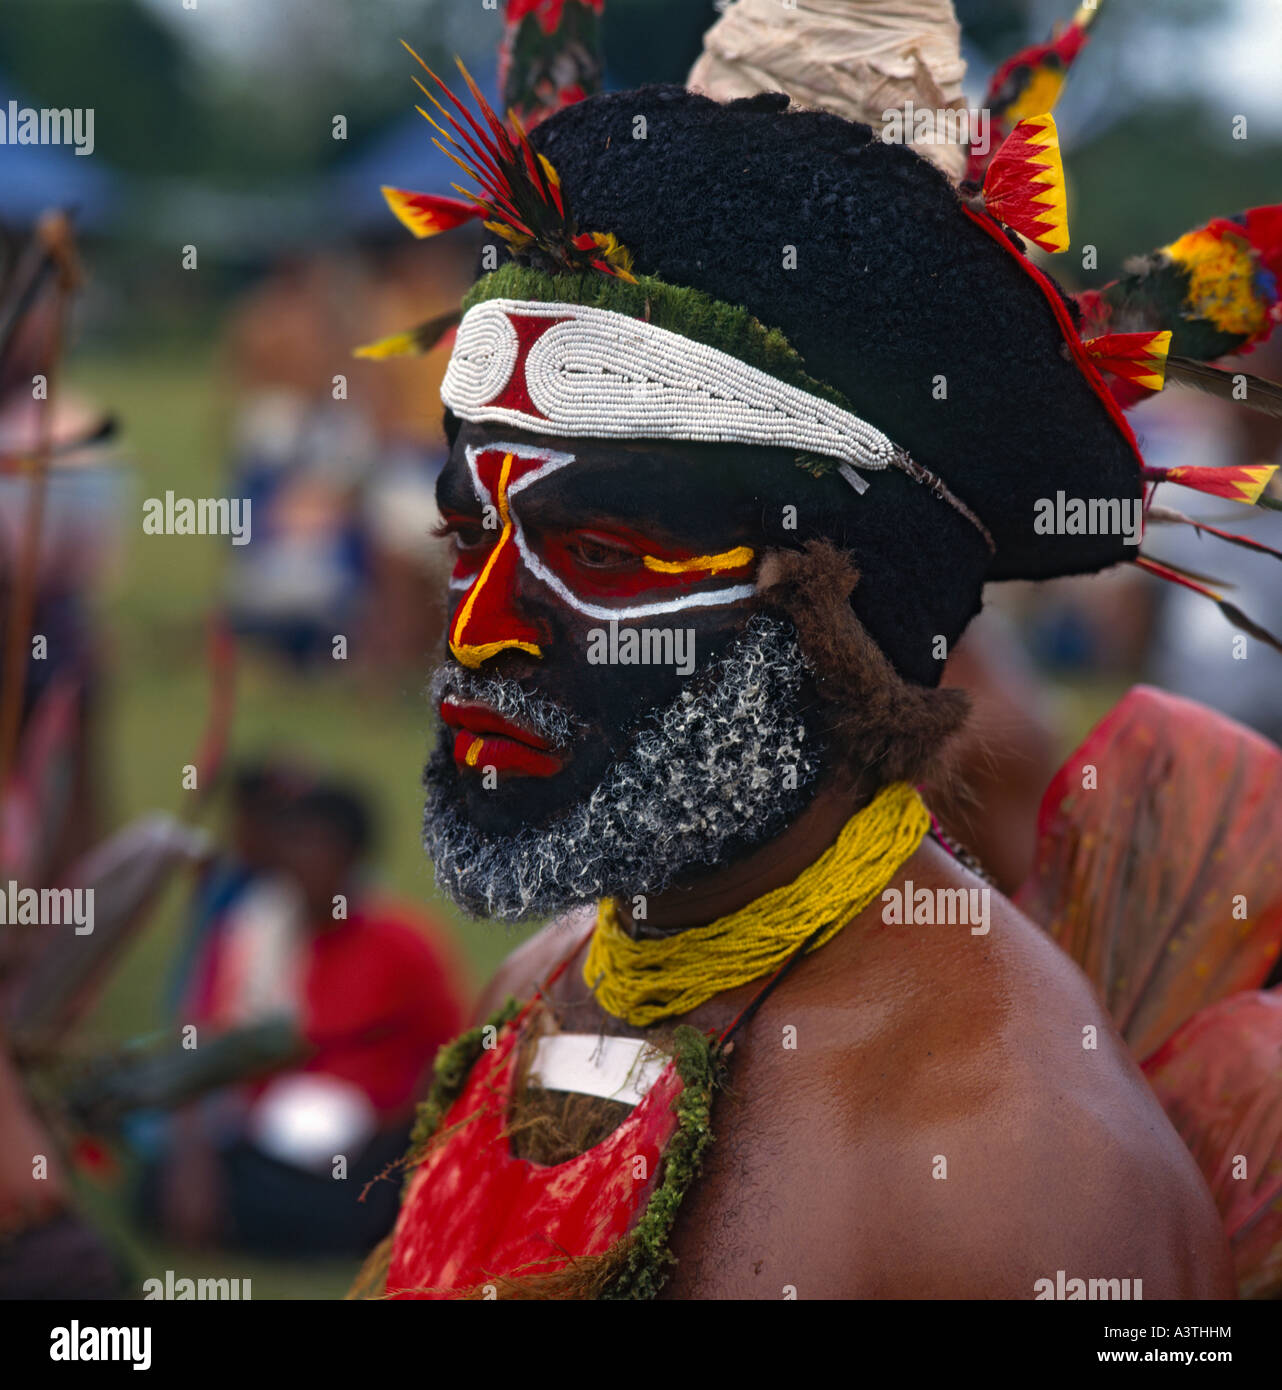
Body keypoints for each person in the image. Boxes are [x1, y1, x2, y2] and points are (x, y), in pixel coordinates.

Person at [352, 1, 1282, 1299]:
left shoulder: (1007, 1174)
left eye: (604, 555)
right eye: (470, 539)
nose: (475, 627)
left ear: (838, 616)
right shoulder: (539, 983)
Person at [145, 780, 468, 1256]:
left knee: (364, 1201)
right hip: (261, 1143)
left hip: (370, 1150)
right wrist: (194, 1162)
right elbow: (200, 1051)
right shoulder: (252, 935)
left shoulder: (403, 945)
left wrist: (389, 1132)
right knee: (159, 1181)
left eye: (321, 845)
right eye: (295, 843)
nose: (304, 860)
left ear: (354, 858)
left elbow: (450, 1060)